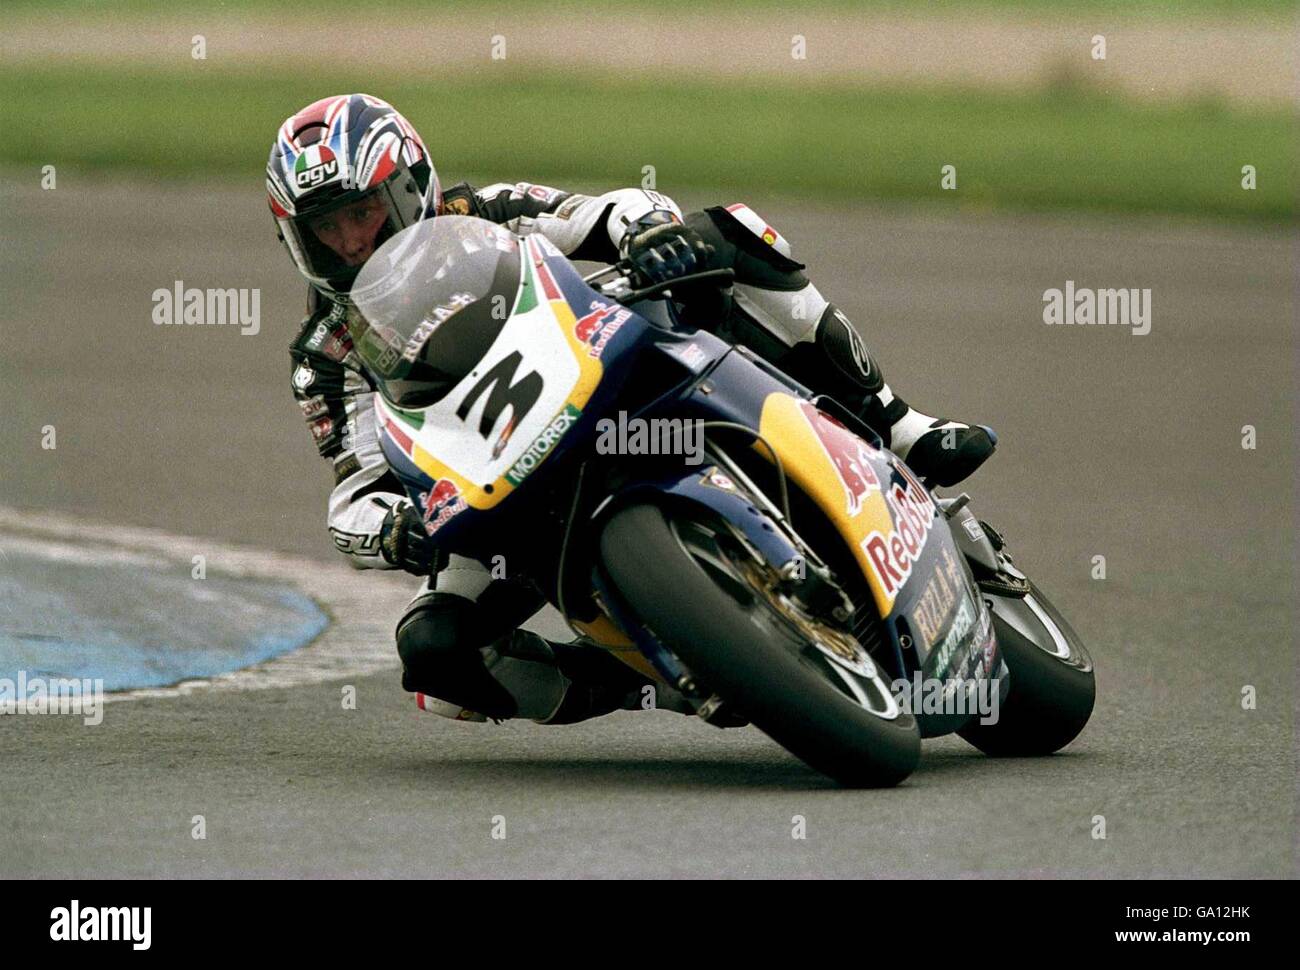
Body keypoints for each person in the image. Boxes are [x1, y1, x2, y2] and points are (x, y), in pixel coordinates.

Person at [270, 93, 995, 725]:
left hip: (600, 382)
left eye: (361, 214)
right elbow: (355, 488)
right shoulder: (325, 356)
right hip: (494, 492)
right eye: (326, 231)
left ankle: (902, 426)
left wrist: (648, 233)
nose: (352, 242)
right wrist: (390, 530)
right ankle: (641, 678)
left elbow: (608, 211)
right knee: (436, 661)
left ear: (408, 187)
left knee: (732, 231)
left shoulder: (483, 213)